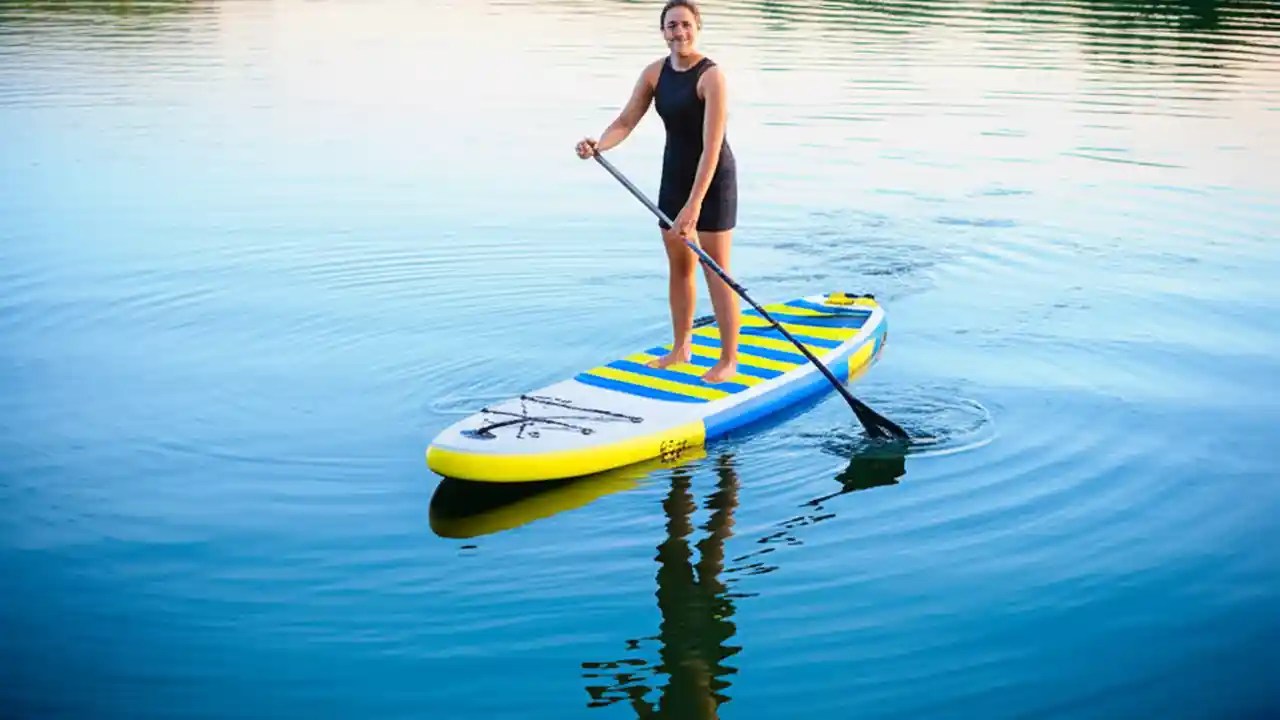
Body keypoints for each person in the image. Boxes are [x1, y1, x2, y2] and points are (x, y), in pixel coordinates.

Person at [575, 0, 740, 384]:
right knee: (679, 266)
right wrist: (599, 144)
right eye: (671, 26)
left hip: (712, 180)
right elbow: (626, 120)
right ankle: (682, 348)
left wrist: (694, 206)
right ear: (662, 31)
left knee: (715, 269)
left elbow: (711, 148)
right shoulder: (654, 73)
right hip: (674, 177)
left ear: (697, 27)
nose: (678, 32)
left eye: (685, 24)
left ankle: (728, 359)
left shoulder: (711, 77)